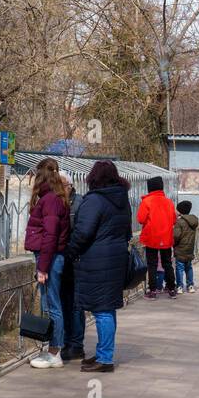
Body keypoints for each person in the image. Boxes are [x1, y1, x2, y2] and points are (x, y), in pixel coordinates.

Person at [65, 159, 131, 372]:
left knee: (102, 310)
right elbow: (128, 232)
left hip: (97, 261)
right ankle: (104, 352)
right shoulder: (122, 199)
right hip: (116, 258)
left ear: (94, 177)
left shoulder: (94, 200)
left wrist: (68, 253)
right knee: (107, 308)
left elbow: (83, 232)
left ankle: (105, 359)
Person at [23, 157, 71, 368]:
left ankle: (55, 352)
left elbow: (50, 236)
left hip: (50, 259)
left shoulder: (50, 200)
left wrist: (42, 268)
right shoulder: (54, 197)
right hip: (50, 257)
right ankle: (53, 349)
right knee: (51, 305)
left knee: (53, 306)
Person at [58, 175, 86, 362]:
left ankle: (76, 345)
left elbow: (81, 232)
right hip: (62, 261)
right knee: (64, 304)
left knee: (76, 305)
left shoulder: (80, 203)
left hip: (76, 261)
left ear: (69, 186)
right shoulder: (58, 203)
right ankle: (67, 342)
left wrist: (70, 250)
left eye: (62, 186)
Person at [136, 175, 177, 299]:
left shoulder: (147, 201)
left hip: (151, 237)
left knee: (152, 264)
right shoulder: (169, 202)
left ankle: (152, 291)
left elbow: (140, 219)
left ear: (150, 188)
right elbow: (174, 220)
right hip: (166, 237)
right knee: (167, 263)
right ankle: (172, 289)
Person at [173, 199, 199, 293]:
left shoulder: (179, 222)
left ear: (180, 211)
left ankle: (180, 286)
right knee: (189, 267)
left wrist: (173, 243)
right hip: (189, 249)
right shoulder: (193, 221)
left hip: (180, 249)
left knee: (179, 268)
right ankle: (190, 286)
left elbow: (176, 236)